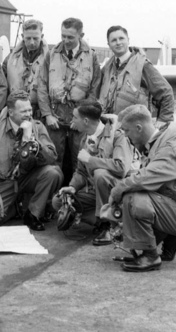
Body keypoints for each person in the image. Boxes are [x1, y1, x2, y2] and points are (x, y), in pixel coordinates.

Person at [108, 105, 176, 272]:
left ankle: (150, 257)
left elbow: (144, 179)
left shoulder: (172, 149)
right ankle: (171, 240)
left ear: (139, 128)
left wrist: (118, 191)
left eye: (127, 131)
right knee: (131, 193)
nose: (126, 136)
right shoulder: (158, 146)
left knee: (133, 196)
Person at [0, 90, 63, 230]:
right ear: (10, 112)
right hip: (5, 180)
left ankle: (33, 214)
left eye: (30, 110)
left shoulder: (37, 127)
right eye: (23, 111)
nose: (28, 114)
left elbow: (52, 157)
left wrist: (31, 141)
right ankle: (14, 207)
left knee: (53, 173)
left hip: (29, 177)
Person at [51, 100, 133, 245]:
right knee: (59, 201)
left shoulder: (117, 135)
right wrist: (73, 187)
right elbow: (81, 171)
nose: (72, 121)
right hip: (94, 191)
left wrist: (91, 160)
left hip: (116, 191)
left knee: (100, 174)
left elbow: (121, 168)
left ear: (86, 120)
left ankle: (107, 226)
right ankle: (107, 219)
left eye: (75, 117)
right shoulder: (86, 137)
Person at [38, 17, 102, 172]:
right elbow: (42, 86)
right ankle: (53, 193)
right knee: (53, 158)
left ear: (81, 35)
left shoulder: (91, 56)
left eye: (70, 37)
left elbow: (95, 88)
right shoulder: (51, 55)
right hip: (55, 115)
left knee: (79, 158)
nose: (66, 40)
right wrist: (47, 115)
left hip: (80, 115)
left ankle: (77, 193)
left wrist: (81, 116)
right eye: (63, 36)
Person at [99, 26, 174, 123]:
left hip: (136, 131)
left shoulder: (143, 65)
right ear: (108, 44)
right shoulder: (107, 69)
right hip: (112, 130)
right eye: (113, 40)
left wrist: (163, 121)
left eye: (121, 38)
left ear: (128, 40)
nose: (118, 42)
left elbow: (166, 93)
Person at [2, 19, 47, 118]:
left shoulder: (50, 59)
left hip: (40, 114)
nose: (31, 42)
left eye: (35, 38)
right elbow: (3, 86)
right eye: (28, 38)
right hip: (16, 113)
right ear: (22, 37)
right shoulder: (10, 59)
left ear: (42, 37)